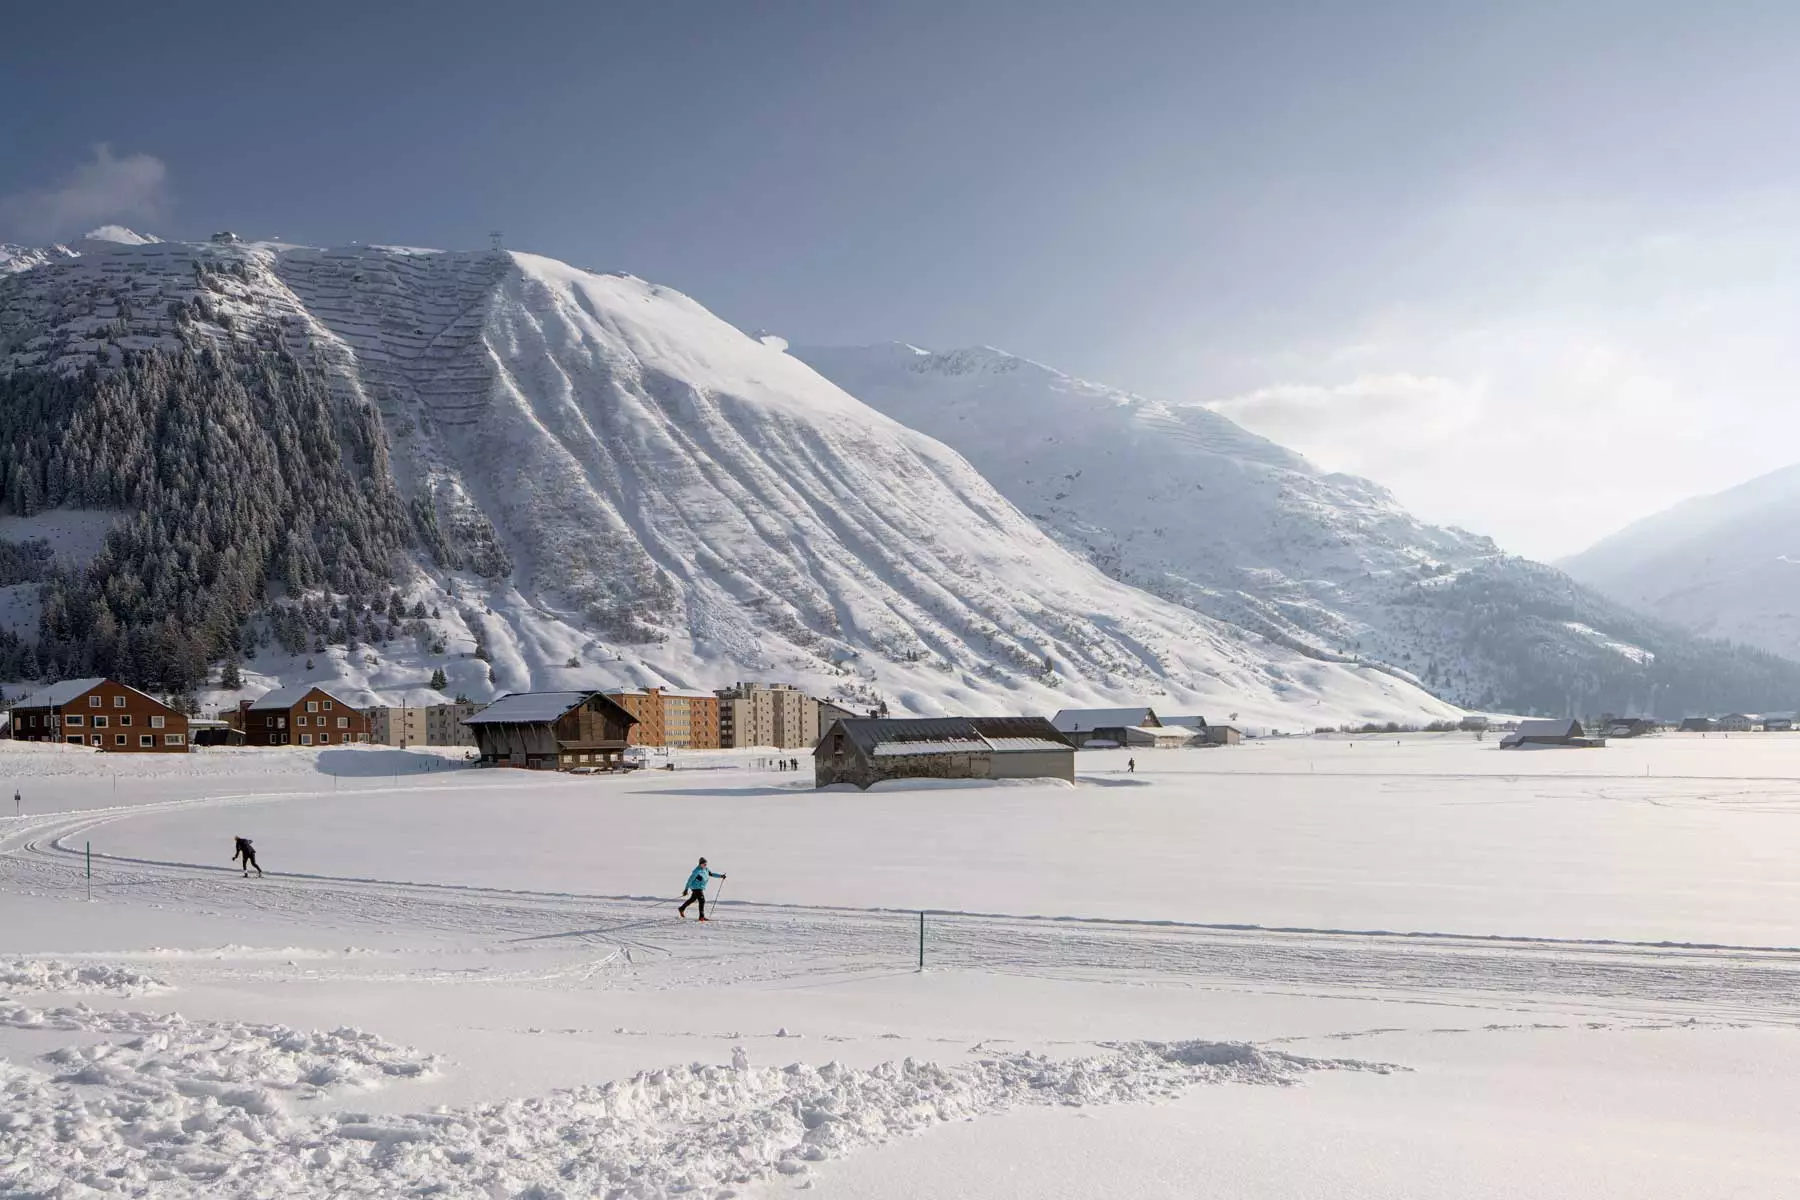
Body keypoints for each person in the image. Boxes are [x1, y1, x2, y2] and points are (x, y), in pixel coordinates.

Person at [678, 856, 725, 921]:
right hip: (696, 888)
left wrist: (721, 876)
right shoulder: (696, 871)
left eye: (705, 864)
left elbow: (711, 874)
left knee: (692, 899)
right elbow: (690, 880)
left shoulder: (706, 869)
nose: (705, 865)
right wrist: (686, 889)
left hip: (700, 887)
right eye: (703, 864)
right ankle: (701, 917)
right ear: (700, 864)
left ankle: (681, 908)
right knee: (702, 900)